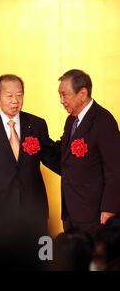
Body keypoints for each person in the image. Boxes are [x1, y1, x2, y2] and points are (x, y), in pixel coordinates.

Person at [0, 74, 60, 234]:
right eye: (9, 96)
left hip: (34, 208)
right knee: (5, 257)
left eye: (19, 95)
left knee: (40, 254)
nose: (15, 101)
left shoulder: (36, 124)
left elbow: (52, 158)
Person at [58, 69, 120, 236]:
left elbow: (115, 169)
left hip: (94, 213)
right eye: (60, 95)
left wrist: (109, 208)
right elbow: (66, 158)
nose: (61, 101)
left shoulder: (103, 121)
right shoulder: (71, 119)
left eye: (65, 95)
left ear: (83, 93)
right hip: (71, 211)